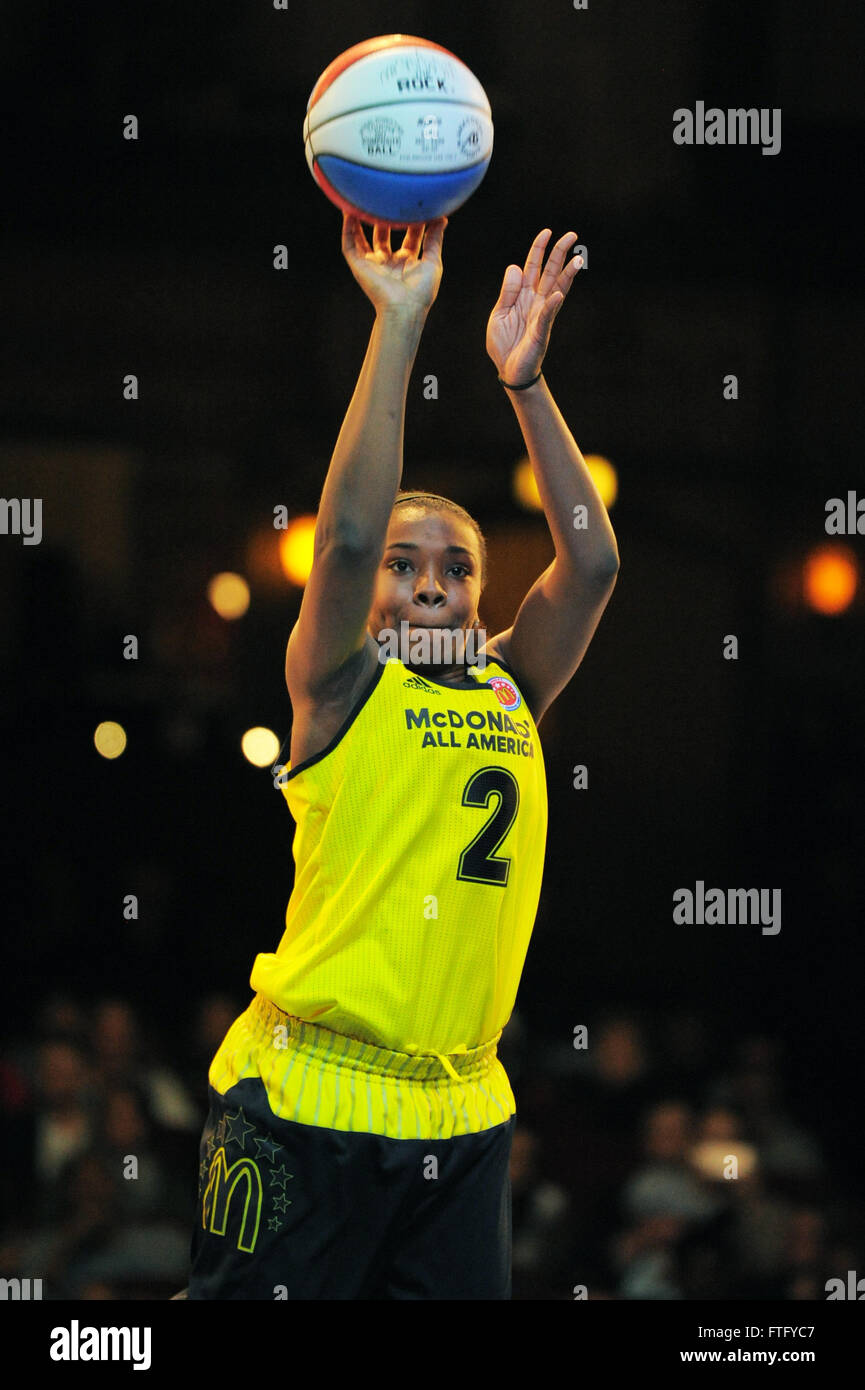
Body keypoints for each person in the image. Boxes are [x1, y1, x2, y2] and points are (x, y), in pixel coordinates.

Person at [186, 210, 619, 1300]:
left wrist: (525, 385)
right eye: (403, 562)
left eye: (458, 567)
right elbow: (337, 536)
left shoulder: (513, 682)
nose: (431, 581)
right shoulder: (339, 684)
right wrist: (400, 320)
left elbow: (594, 558)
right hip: (310, 1098)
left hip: (462, 1107)